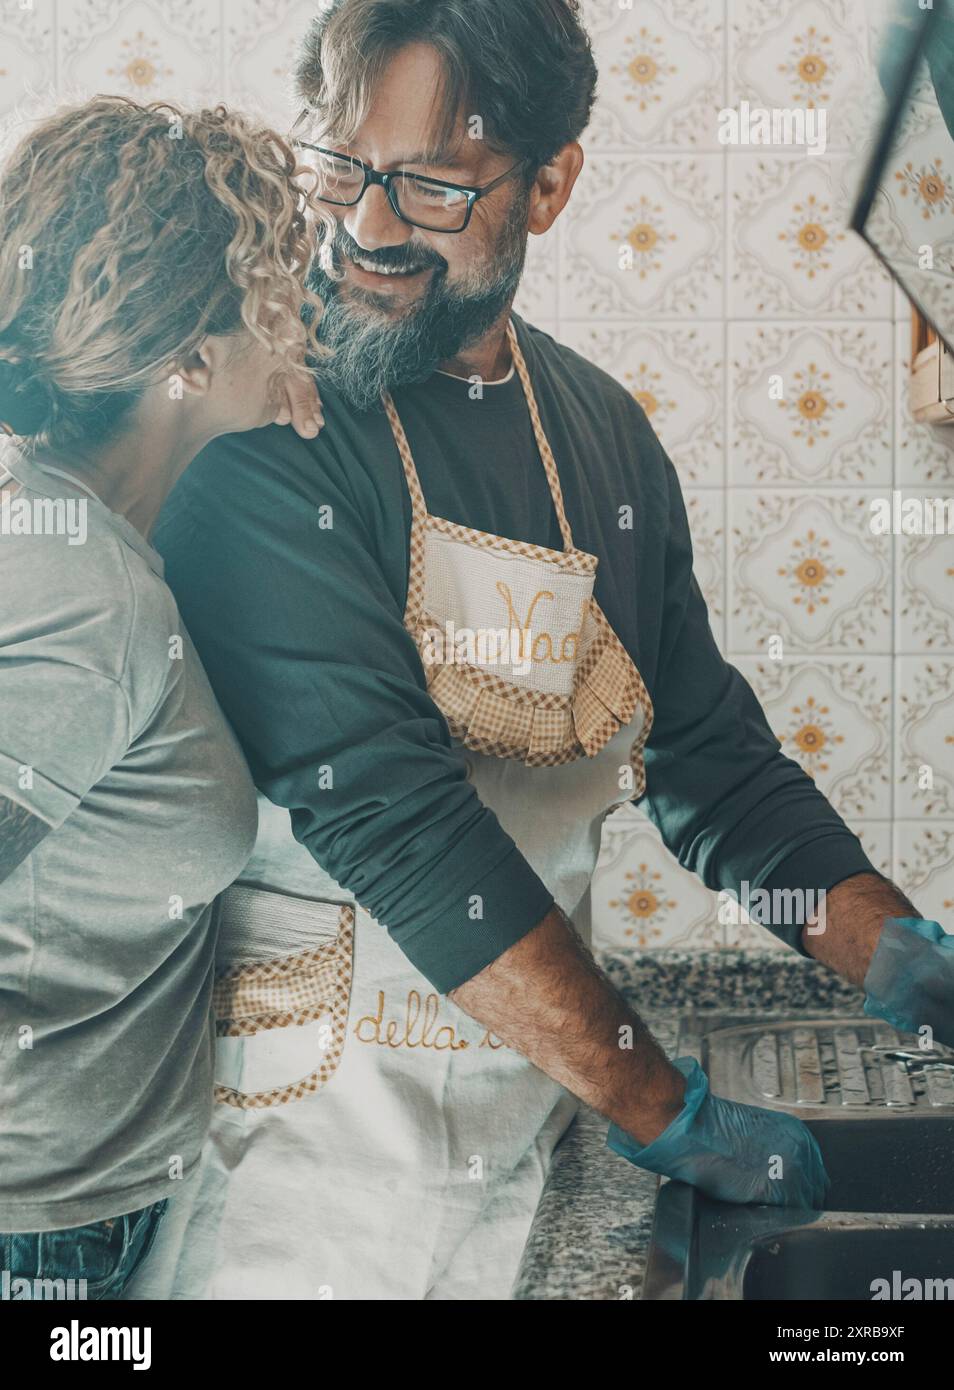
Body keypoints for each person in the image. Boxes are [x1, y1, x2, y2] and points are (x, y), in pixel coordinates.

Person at [133, 0, 950, 1301]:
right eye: (336, 167)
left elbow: (708, 767)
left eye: (432, 187)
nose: (365, 228)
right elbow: (399, 824)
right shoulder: (256, 428)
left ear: (551, 183)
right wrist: (662, 1106)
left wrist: (889, 950)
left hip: (528, 1120)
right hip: (296, 1167)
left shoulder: (599, 435)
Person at [0, 94, 329, 1298]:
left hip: (73, 1213)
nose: (302, 322)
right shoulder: (89, 603)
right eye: (277, 296)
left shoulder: (65, 531)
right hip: (37, 1242)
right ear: (188, 361)